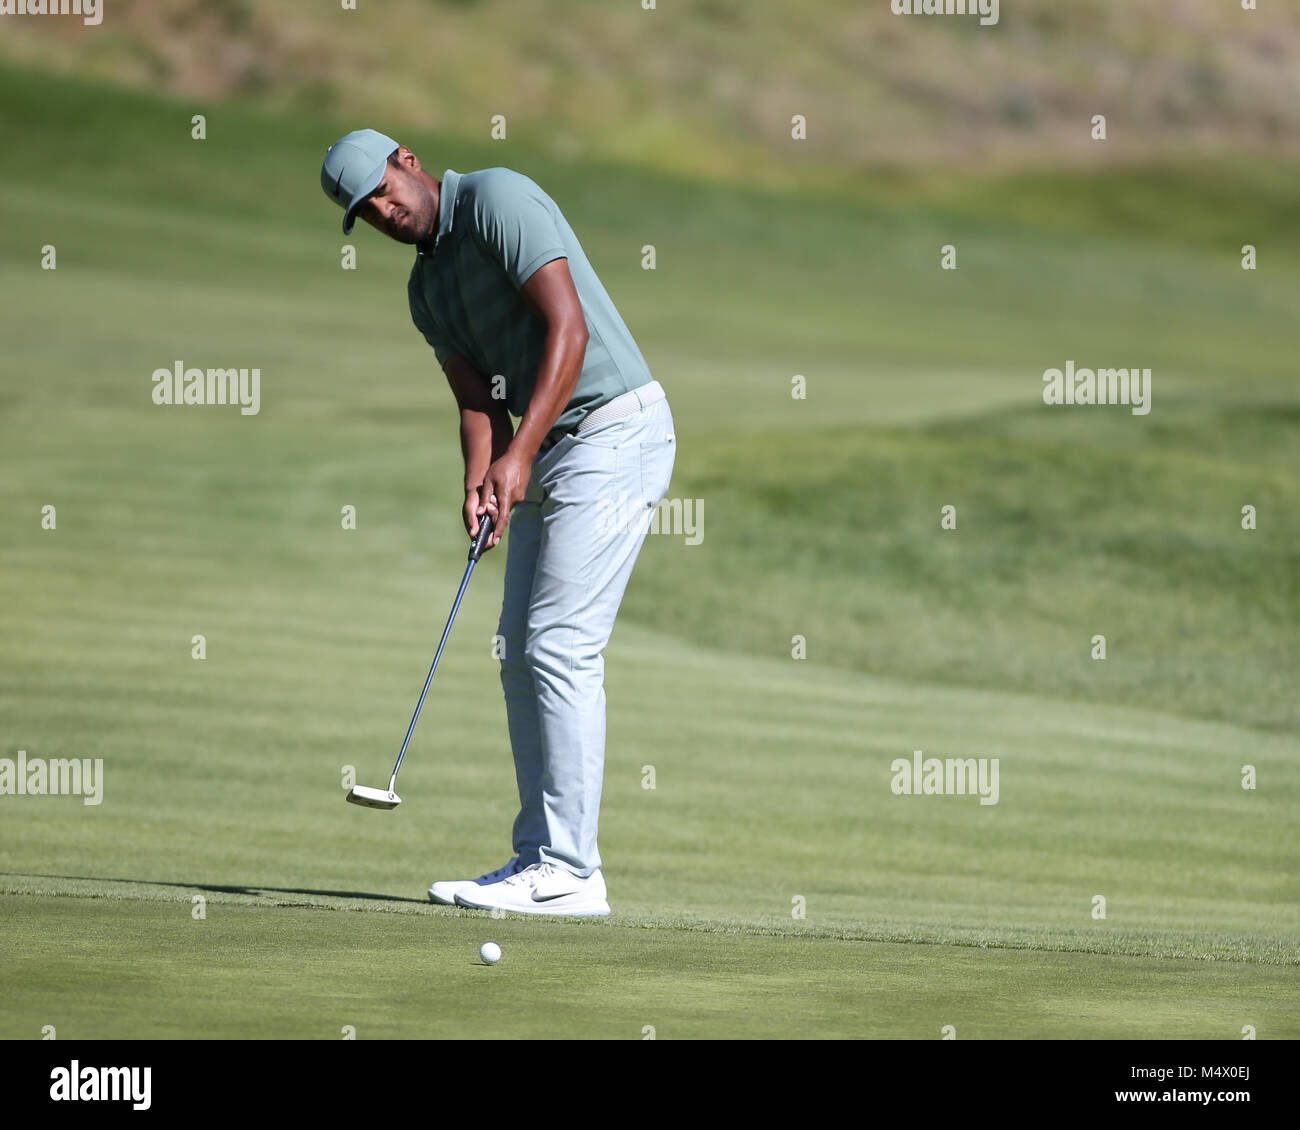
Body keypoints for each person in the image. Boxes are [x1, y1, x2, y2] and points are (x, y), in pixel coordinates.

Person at [321, 129, 675, 916]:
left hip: (614, 430)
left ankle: (572, 872)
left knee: (560, 645)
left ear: (408, 162)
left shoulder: (497, 199)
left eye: (383, 191)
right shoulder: (425, 292)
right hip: (546, 445)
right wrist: (482, 479)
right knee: (518, 651)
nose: (382, 213)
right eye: (364, 213)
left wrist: (519, 457)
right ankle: (540, 860)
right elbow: (477, 400)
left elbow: (569, 331)